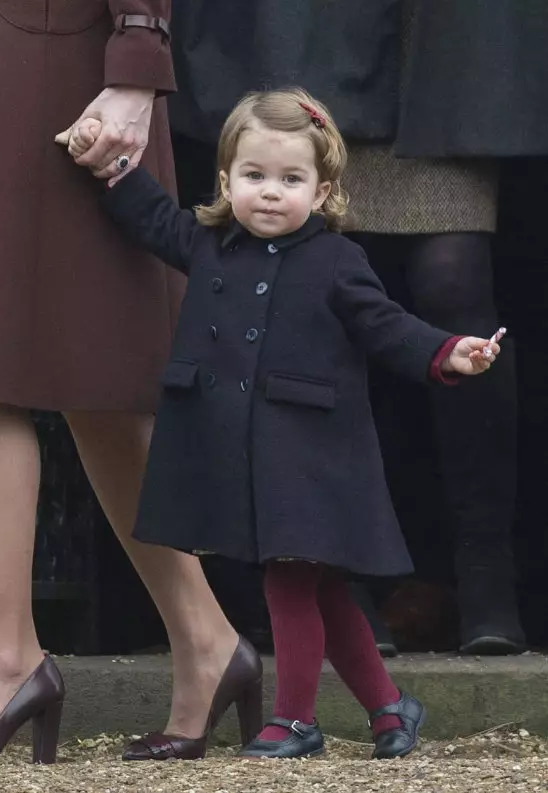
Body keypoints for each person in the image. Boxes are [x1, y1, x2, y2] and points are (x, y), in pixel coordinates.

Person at [61, 87, 503, 759]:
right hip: (242, 452)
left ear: (323, 191)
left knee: (290, 582)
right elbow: (153, 220)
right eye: (255, 176)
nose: (270, 193)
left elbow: (387, 328)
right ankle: (390, 705)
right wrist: (112, 169)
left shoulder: (336, 261)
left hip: (311, 453)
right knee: (322, 588)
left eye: (291, 179)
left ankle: (296, 716)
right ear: (226, 179)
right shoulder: (211, 243)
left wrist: (446, 350)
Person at [0, 0, 261, 767]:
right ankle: (205, 638)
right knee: (83, 373)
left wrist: (135, 50)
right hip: (1, 48)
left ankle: (4, 658)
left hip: (67, 56)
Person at [165, 0, 528, 657]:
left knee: (455, 279)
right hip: (298, 38)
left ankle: (488, 571)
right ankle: (331, 569)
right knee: (300, 294)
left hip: (440, 53)